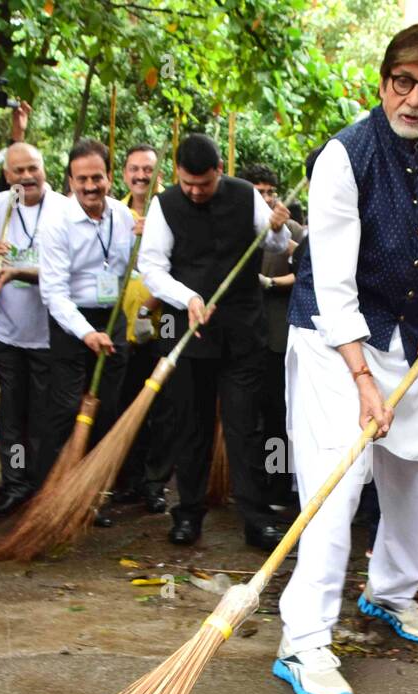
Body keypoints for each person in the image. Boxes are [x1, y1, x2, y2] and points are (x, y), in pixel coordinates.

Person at [273, 24, 418, 694]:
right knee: (336, 490)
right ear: (383, 82)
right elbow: (333, 284)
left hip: (414, 343)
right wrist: (363, 382)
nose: (414, 97)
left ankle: (389, 594)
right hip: (333, 342)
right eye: (404, 82)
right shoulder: (344, 157)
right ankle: (302, 641)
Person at [138, 133, 290, 549]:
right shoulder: (164, 205)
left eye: (202, 184)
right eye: (186, 183)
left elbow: (274, 243)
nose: (193, 192)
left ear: (219, 172)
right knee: (192, 426)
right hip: (190, 332)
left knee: (244, 428)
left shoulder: (245, 195)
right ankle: (188, 514)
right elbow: (150, 267)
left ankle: (256, 520)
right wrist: (186, 297)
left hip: (244, 332)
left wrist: (277, 227)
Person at [37, 139, 136, 491]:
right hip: (71, 323)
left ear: (110, 176)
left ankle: (94, 491)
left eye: (97, 177)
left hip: (112, 319)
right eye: (82, 179)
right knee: (65, 410)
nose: (90, 186)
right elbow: (53, 293)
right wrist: (85, 333)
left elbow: (130, 271)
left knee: (107, 408)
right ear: (70, 180)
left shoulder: (123, 217)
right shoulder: (56, 221)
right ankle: (54, 489)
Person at [0, 142, 65, 517]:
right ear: (7, 175)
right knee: (11, 415)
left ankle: (40, 485)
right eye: (18, 171)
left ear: (45, 168)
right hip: (7, 331)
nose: (27, 177)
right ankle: (14, 483)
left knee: (43, 415)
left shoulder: (64, 210)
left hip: (48, 334)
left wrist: (19, 272)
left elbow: (66, 273)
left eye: (33, 168)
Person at [115, 143, 174, 514]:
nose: (141, 176)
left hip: (164, 321)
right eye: (134, 169)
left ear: (159, 176)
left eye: (148, 170)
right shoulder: (113, 213)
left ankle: (156, 484)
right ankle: (127, 480)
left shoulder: (171, 211)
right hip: (122, 323)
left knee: (162, 405)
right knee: (124, 402)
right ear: (124, 174)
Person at [240, 162, 303, 511]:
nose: (265, 198)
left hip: (279, 335)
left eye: (269, 192)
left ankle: (279, 487)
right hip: (245, 334)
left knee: (278, 417)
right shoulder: (239, 226)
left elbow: (308, 269)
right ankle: (251, 487)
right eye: (258, 192)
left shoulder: (291, 228)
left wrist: (272, 283)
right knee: (248, 417)